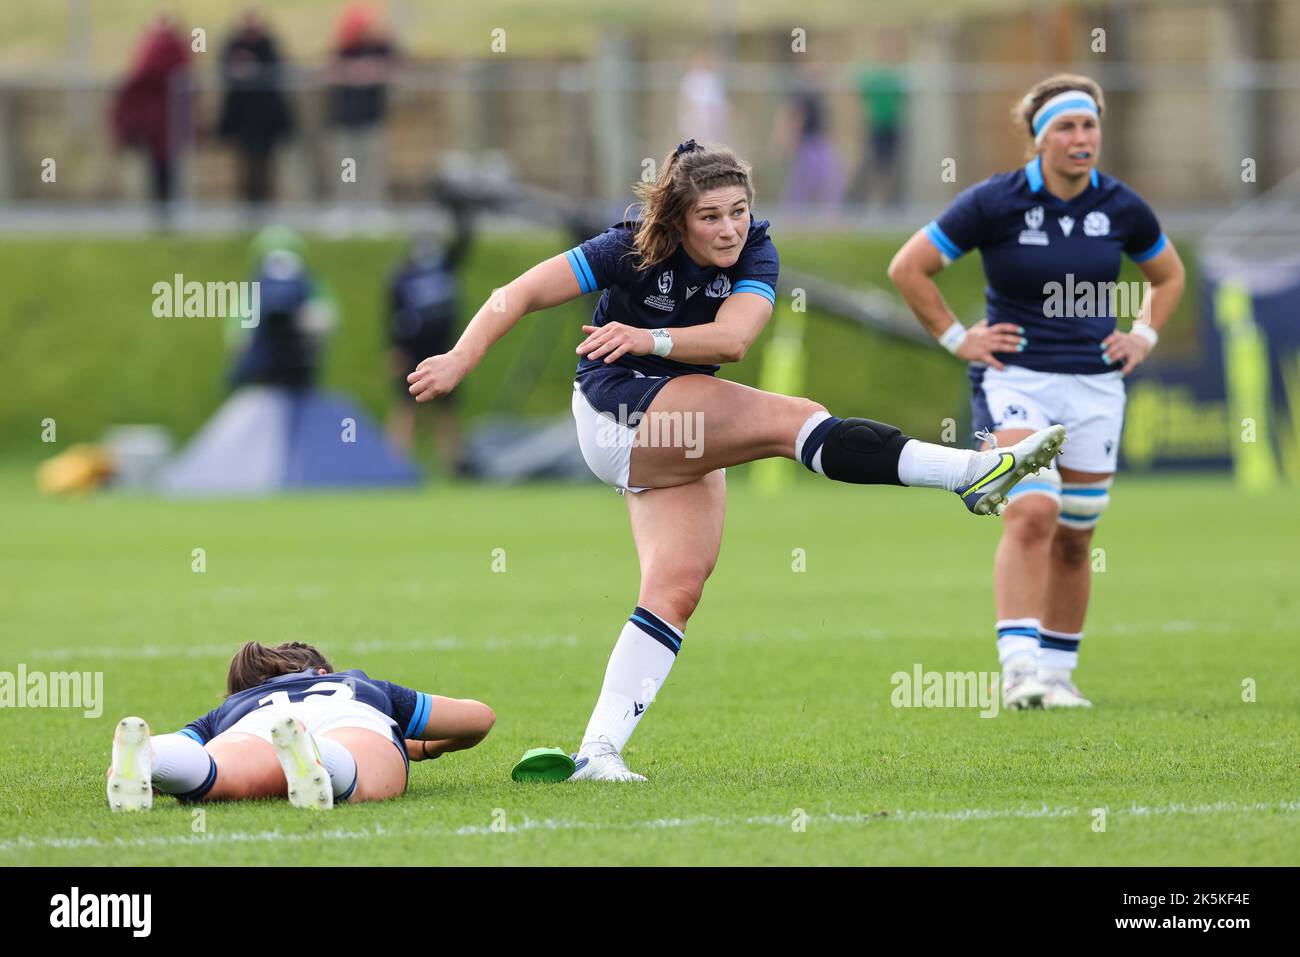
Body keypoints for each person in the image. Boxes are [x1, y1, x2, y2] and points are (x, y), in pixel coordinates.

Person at [406, 140, 1065, 781]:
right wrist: (461, 357)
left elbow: (735, 337)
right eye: (710, 216)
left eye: (738, 211)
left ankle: (598, 751)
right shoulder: (631, 246)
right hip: (617, 415)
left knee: (676, 590)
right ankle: (967, 474)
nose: (728, 229)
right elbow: (515, 292)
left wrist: (650, 335)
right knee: (790, 418)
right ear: (677, 219)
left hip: (680, 425)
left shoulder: (756, 249)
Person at [887, 74, 1185, 710]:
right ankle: (1019, 669)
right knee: (1031, 511)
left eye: (1090, 126)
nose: (1082, 139)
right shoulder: (995, 202)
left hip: (1097, 387)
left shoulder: (1122, 206)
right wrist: (956, 337)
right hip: (1015, 379)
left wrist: (1143, 336)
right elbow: (909, 267)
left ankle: (1056, 676)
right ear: (1039, 139)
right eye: (1066, 128)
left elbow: (1167, 275)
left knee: (1076, 535)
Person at [106, 641, 494, 811]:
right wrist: (427, 747)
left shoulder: (234, 707)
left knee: (217, 775)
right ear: (322, 671)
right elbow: (478, 718)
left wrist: (150, 771)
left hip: (256, 726)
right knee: (360, 776)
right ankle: (322, 759)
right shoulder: (358, 685)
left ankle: (153, 757)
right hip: (351, 721)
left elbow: (183, 741)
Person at [385, 203, 475, 469]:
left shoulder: (444, 267)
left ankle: (453, 465)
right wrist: (395, 349)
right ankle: (394, 466)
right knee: (405, 406)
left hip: (444, 349)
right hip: (412, 348)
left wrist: (464, 210)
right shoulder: (403, 275)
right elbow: (393, 313)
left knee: (445, 410)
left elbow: (464, 244)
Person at [109, 16, 191, 222]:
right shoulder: (175, 49)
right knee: (166, 168)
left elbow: (137, 82)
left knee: (160, 169)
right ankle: (166, 211)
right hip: (166, 123)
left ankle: (162, 211)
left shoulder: (153, 48)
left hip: (158, 123)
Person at [217, 11, 295, 208]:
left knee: (266, 162)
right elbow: (225, 71)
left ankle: (265, 203)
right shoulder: (233, 45)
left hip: (266, 118)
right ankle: (247, 203)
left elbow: (276, 71)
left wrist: (253, 69)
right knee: (244, 162)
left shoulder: (268, 45)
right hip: (241, 118)